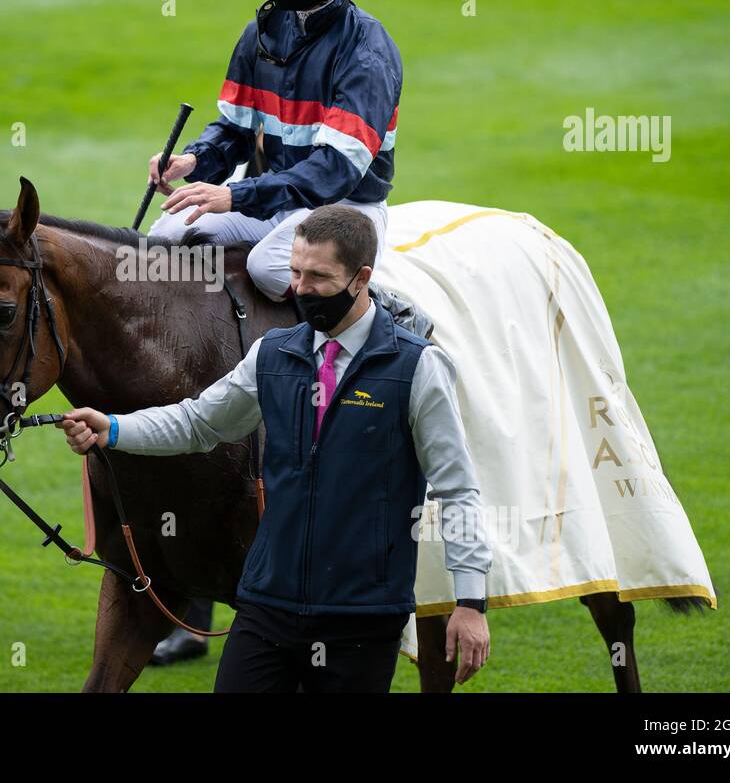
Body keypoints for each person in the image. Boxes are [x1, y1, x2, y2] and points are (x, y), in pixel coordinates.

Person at [58, 206, 492, 693]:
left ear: (361, 278)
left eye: (319, 277)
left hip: (361, 615)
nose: (302, 289)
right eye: (296, 273)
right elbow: (199, 422)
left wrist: (471, 603)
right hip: (267, 606)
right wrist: (113, 429)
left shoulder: (418, 368)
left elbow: (458, 491)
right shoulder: (272, 354)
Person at [147, 0, 401, 304]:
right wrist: (193, 159)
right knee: (167, 239)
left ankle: (377, 311)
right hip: (278, 200)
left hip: (346, 210)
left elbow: (334, 170)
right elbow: (235, 130)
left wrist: (235, 194)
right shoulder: (260, 34)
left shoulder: (367, 52)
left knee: (268, 267)